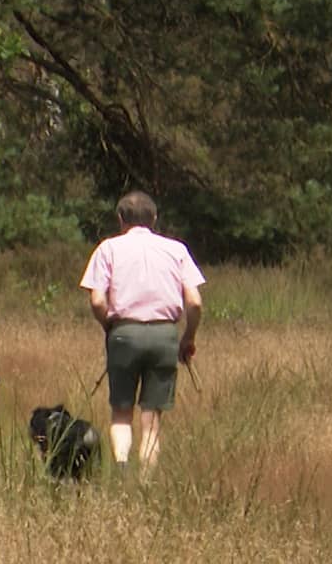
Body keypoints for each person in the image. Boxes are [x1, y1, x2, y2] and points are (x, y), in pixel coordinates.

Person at [79, 191, 204, 475]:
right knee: (152, 420)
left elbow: (97, 301)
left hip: (124, 333)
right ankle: (146, 481)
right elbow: (195, 302)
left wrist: (110, 326)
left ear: (120, 218)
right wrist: (188, 337)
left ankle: (122, 469)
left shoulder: (107, 249)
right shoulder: (176, 250)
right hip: (164, 335)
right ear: (154, 218)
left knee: (121, 413)